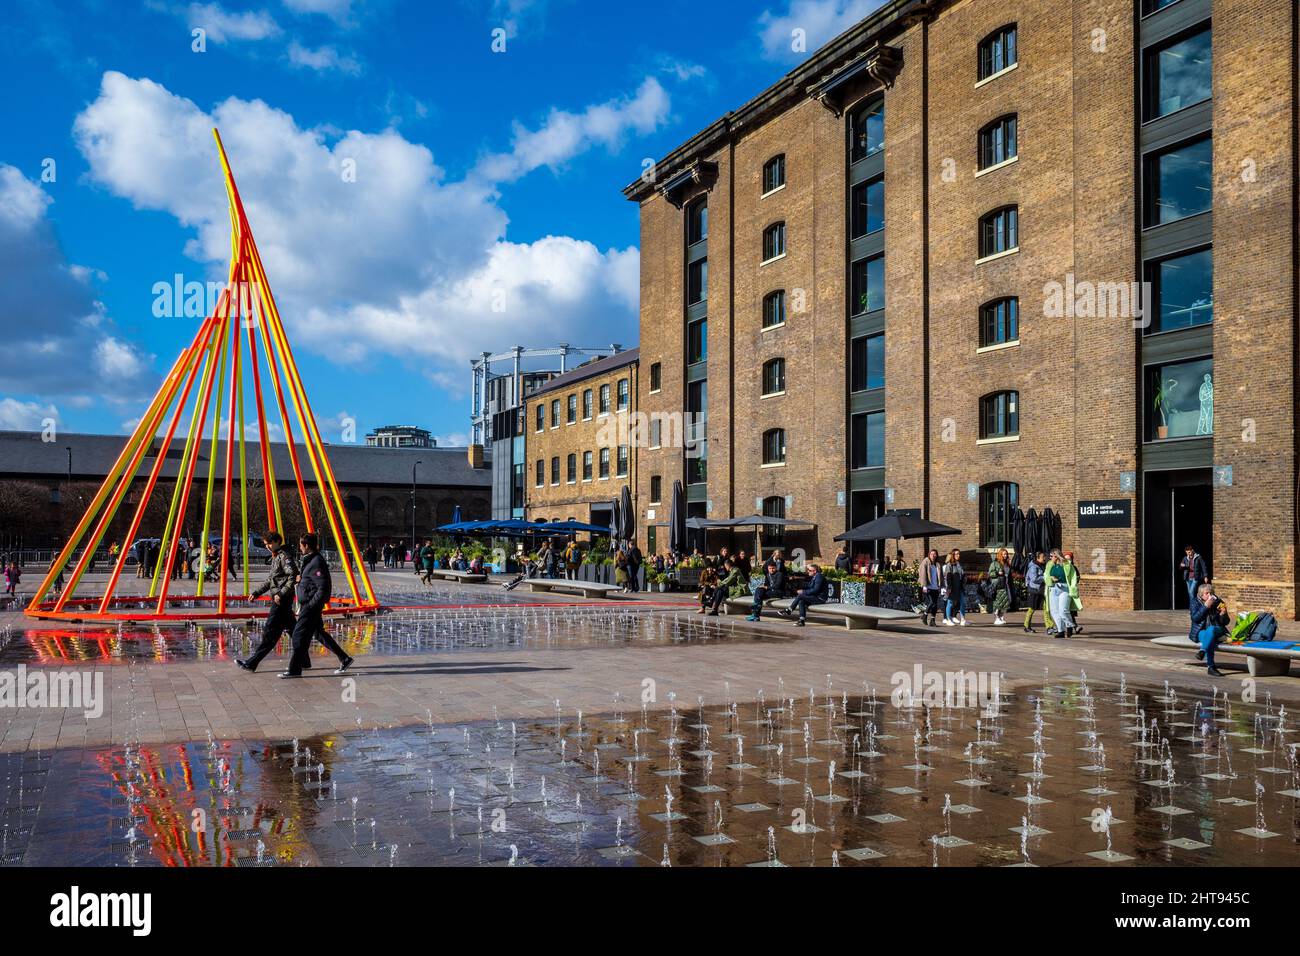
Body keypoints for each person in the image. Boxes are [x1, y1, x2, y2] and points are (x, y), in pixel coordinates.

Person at [280, 533, 353, 678]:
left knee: (297, 636)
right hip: (309, 604)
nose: (300, 548)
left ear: (306, 546)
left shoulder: (316, 561)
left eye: (301, 545)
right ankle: (344, 658)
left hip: (310, 606)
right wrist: (301, 580)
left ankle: (294, 669)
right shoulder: (310, 560)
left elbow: (323, 587)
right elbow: (312, 581)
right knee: (319, 633)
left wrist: (311, 605)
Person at [237, 532, 300, 673]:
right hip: (280, 599)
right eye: (265, 544)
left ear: (277, 541)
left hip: (281, 601)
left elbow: (293, 576)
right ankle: (304, 659)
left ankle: (252, 663)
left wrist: (281, 593)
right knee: (294, 631)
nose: (267, 547)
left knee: (270, 632)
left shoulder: (284, 556)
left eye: (269, 544)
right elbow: (271, 580)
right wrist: (256, 593)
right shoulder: (276, 556)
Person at [1189, 582, 1229, 677]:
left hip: (1217, 629)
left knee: (1211, 630)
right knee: (1209, 637)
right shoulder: (1195, 602)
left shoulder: (1218, 602)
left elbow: (1226, 622)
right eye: (1207, 593)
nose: (1209, 595)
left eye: (1211, 593)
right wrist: (1206, 607)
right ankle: (1211, 667)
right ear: (1201, 594)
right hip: (1201, 631)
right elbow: (1195, 618)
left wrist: (1223, 614)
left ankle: (1202, 651)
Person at [1180, 544, 1209, 639]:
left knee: (1191, 592)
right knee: (1190, 593)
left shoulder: (1198, 557)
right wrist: (1183, 566)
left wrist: (1205, 576)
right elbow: (1181, 568)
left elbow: (1203, 566)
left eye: (1190, 551)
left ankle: (1192, 608)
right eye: (1187, 552)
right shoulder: (1185, 558)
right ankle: (1193, 607)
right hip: (1188, 578)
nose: (1189, 553)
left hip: (1196, 578)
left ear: (1193, 550)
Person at [1047, 552, 1076, 638]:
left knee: (1063, 610)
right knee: (1054, 611)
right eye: (1050, 556)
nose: (1050, 558)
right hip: (1053, 588)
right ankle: (1061, 630)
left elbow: (1073, 576)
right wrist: (1050, 578)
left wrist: (1073, 588)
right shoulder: (1050, 565)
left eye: (1052, 556)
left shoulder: (1066, 565)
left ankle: (1070, 625)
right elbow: (1046, 576)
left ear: (1057, 556)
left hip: (1064, 588)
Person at [917, 548, 942, 627]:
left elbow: (940, 576)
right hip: (928, 586)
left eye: (935, 554)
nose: (933, 555)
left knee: (935, 604)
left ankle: (932, 620)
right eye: (932, 554)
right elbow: (922, 573)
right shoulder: (926, 561)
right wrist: (924, 585)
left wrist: (941, 586)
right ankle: (924, 615)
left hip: (936, 587)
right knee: (932, 602)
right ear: (929, 555)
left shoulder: (937, 564)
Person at [942, 548, 967, 626]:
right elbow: (948, 577)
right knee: (950, 603)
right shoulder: (949, 565)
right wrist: (949, 588)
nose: (958, 555)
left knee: (963, 603)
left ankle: (963, 619)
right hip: (952, 587)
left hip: (960, 587)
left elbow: (962, 575)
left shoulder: (959, 564)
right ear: (953, 555)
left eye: (959, 554)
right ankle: (948, 619)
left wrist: (964, 579)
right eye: (956, 554)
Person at [987, 547, 1011, 625]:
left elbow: (1008, 574)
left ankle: (1001, 617)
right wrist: (998, 573)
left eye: (1006, 554)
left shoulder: (1007, 563)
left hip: (1006, 584)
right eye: (1004, 554)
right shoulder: (995, 563)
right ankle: (997, 618)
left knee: (1006, 602)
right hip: (998, 585)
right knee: (998, 602)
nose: (1005, 555)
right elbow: (990, 573)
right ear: (1000, 555)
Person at [1023, 552, 1046, 633]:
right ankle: (1026, 626)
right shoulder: (1033, 567)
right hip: (1034, 590)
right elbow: (1034, 579)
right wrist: (1045, 577)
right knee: (1031, 609)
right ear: (1037, 558)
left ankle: (1050, 626)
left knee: (1044, 608)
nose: (1044, 558)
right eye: (1043, 557)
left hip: (1039, 590)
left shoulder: (1041, 566)